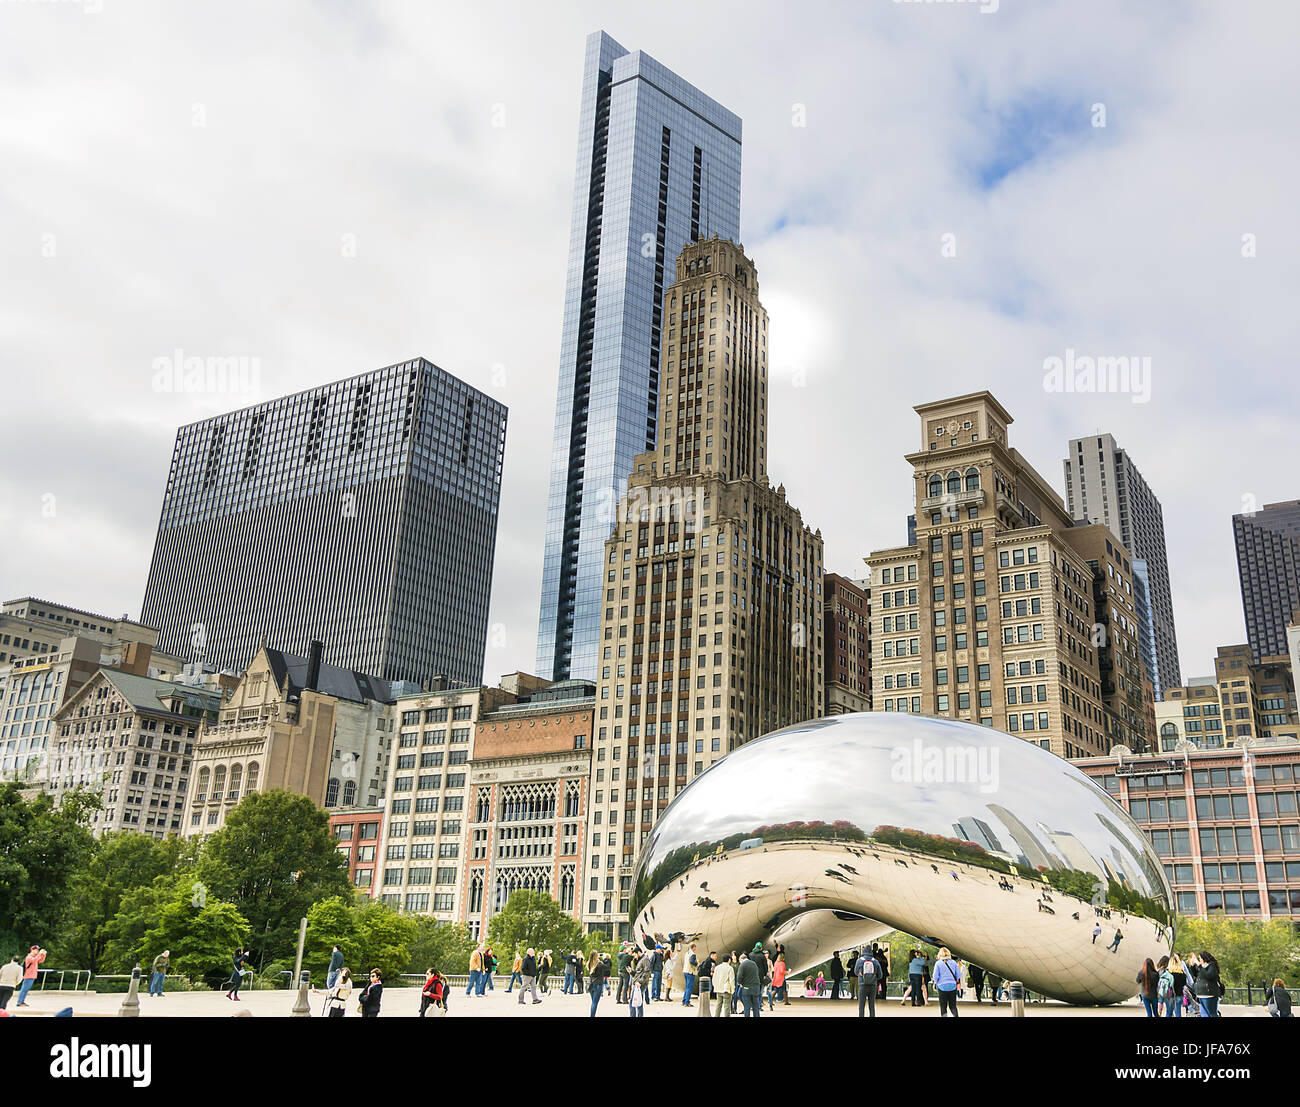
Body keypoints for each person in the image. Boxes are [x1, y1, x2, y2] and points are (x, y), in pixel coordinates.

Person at [1190, 951, 1223, 1017]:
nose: (1199, 960)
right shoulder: (1201, 967)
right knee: (1204, 1014)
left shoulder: (1212, 966)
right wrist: (1192, 966)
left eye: (1200, 959)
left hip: (1210, 993)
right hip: (1200, 993)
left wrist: (1199, 965)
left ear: (1204, 958)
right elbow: (1196, 974)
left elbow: (1208, 975)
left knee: (1212, 1013)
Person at [933, 948, 963, 1017]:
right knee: (953, 1006)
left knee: (943, 1007)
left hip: (942, 987)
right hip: (952, 986)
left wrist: (936, 983)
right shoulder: (953, 962)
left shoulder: (938, 963)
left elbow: (935, 976)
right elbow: (958, 975)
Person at [736, 952, 762, 1017]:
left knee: (747, 1006)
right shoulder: (754, 963)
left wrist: (740, 983)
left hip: (747, 987)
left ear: (741, 959)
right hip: (756, 988)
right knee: (756, 1006)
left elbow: (739, 976)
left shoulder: (743, 965)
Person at [854, 948, 879, 1017]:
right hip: (873, 986)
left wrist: (861, 976)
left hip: (862, 985)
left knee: (861, 1007)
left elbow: (855, 972)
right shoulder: (875, 961)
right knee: (872, 1006)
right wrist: (873, 977)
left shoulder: (859, 961)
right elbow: (880, 975)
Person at [711, 952, 735, 1017]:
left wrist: (715, 986)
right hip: (726, 990)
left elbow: (714, 979)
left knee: (718, 1006)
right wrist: (733, 990)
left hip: (718, 989)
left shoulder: (717, 967)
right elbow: (731, 980)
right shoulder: (730, 968)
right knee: (727, 1007)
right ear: (729, 960)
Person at [587, 952, 610, 1017]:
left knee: (593, 1002)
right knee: (595, 1003)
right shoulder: (599, 964)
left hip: (591, 985)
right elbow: (608, 967)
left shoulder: (589, 963)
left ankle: (592, 1015)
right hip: (598, 985)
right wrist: (606, 958)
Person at [1163, 953, 1187, 1018]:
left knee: (1168, 1013)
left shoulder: (1167, 974)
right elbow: (1184, 984)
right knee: (1178, 1013)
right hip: (1179, 995)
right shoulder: (1182, 974)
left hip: (1169, 996)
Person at [682, 942, 699, 1007]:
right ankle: (687, 1002)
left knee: (687, 987)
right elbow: (691, 961)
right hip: (690, 972)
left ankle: (684, 1001)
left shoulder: (687, 953)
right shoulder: (693, 954)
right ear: (694, 947)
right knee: (689, 987)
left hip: (685, 971)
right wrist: (697, 964)